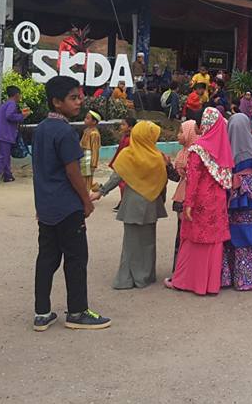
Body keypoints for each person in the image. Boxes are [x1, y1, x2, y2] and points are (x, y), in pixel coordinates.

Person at [32, 76, 110, 331]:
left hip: (46, 206)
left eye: (79, 97)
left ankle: (41, 312)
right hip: (67, 206)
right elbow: (72, 171)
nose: (80, 102)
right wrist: (85, 201)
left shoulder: (41, 128)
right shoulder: (65, 131)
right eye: (73, 98)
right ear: (56, 102)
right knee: (76, 258)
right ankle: (77, 311)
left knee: (47, 258)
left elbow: (40, 169)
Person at [92, 121, 168, 290]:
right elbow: (161, 181)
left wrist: (101, 192)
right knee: (148, 242)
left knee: (131, 242)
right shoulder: (157, 156)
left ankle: (126, 278)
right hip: (151, 203)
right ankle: (145, 276)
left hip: (133, 203)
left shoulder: (128, 154)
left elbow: (116, 177)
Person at [165, 107, 233, 295]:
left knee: (193, 240)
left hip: (200, 201)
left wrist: (188, 204)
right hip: (217, 202)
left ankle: (186, 281)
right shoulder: (223, 149)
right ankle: (210, 285)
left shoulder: (198, 149)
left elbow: (193, 181)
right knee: (213, 241)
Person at [222, 113, 252, 291]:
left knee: (230, 230)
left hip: (229, 195)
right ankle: (247, 276)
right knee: (246, 228)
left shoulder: (224, 149)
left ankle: (228, 276)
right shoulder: (251, 148)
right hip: (246, 196)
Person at [0, 85, 30, 184]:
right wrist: (22, 116)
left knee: (5, 155)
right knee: (3, 156)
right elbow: (9, 116)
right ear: (17, 95)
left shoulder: (3, 104)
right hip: (5, 134)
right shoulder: (12, 104)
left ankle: (8, 175)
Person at [171, 119, 198, 268]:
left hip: (189, 198)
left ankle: (186, 268)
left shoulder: (196, 154)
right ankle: (179, 269)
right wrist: (168, 165)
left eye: (181, 131)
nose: (178, 135)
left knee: (187, 234)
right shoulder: (182, 152)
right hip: (181, 197)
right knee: (180, 233)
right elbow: (176, 177)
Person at [80, 110, 102, 192]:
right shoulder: (86, 131)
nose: (85, 119)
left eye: (87, 118)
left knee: (87, 179)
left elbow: (95, 149)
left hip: (88, 159)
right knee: (82, 177)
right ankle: (96, 187)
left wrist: (93, 163)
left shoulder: (94, 134)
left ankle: (87, 194)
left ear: (94, 121)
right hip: (83, 157)